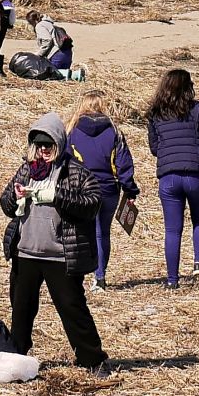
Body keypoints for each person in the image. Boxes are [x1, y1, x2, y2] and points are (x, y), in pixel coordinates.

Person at [1, 112, 109, 373]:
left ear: (59, 143)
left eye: (48, 145)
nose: (43, 150)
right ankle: (17, 356)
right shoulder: (27, 170)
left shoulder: (77, 172)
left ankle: (93, 360)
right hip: (26, 252)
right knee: (21, 309)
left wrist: (57, 195)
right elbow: (5, 203)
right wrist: (16, 199)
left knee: (72, 308)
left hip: (60, 255)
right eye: (39, 145)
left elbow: (92, 204)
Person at [144, 67, 199, 286]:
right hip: (197, 173)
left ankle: (172, 279)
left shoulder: (155, 113)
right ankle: (198, 263)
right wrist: (197, 149)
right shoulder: (198, 109)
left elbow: (154, 148)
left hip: (169, 176)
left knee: (172, 229)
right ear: (187, 88)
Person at [66, 96, 139, 288]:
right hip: (108, 189)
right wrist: (130, 189)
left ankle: (77, 275)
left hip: (81, 189)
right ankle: (100, 276)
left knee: (80, 232)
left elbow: (65, 160)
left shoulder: (71, 130)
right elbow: (123, 164)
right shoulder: (114, 131)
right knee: (102, 233)